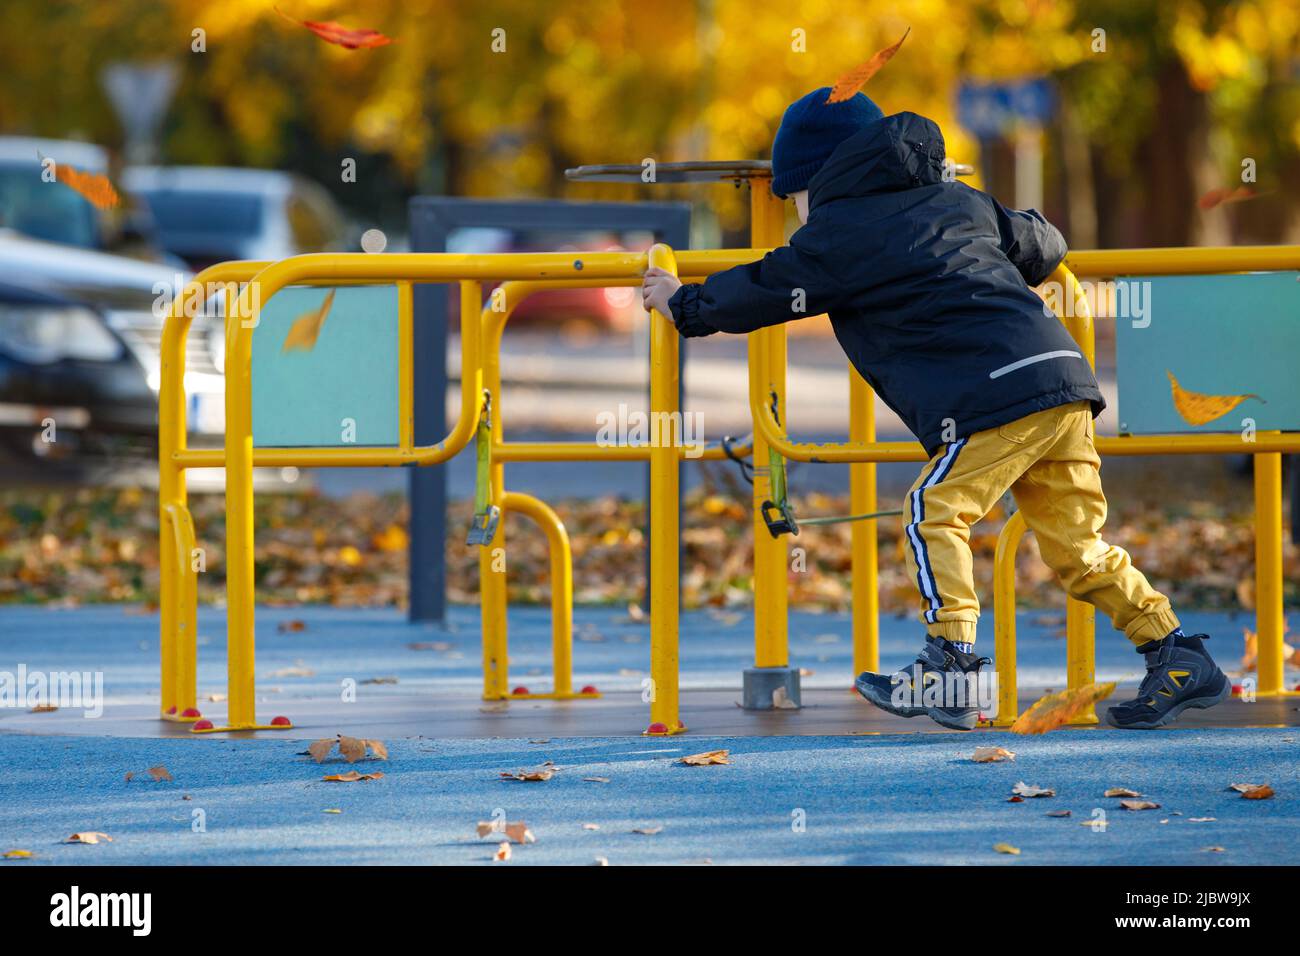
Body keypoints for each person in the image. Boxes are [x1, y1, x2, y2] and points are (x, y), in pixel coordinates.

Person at [641, 87, 1229, 731]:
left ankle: (952, 664)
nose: (795, 214)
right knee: (1077, 547)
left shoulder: (840, 236)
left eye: (794, 198)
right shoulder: (959, 200)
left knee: (934, 508)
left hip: (995, 396)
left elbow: (765, 288)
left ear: (822, 178)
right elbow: (1043, 240)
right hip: (1063, 384)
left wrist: (682, 303)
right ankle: (1174, 652)